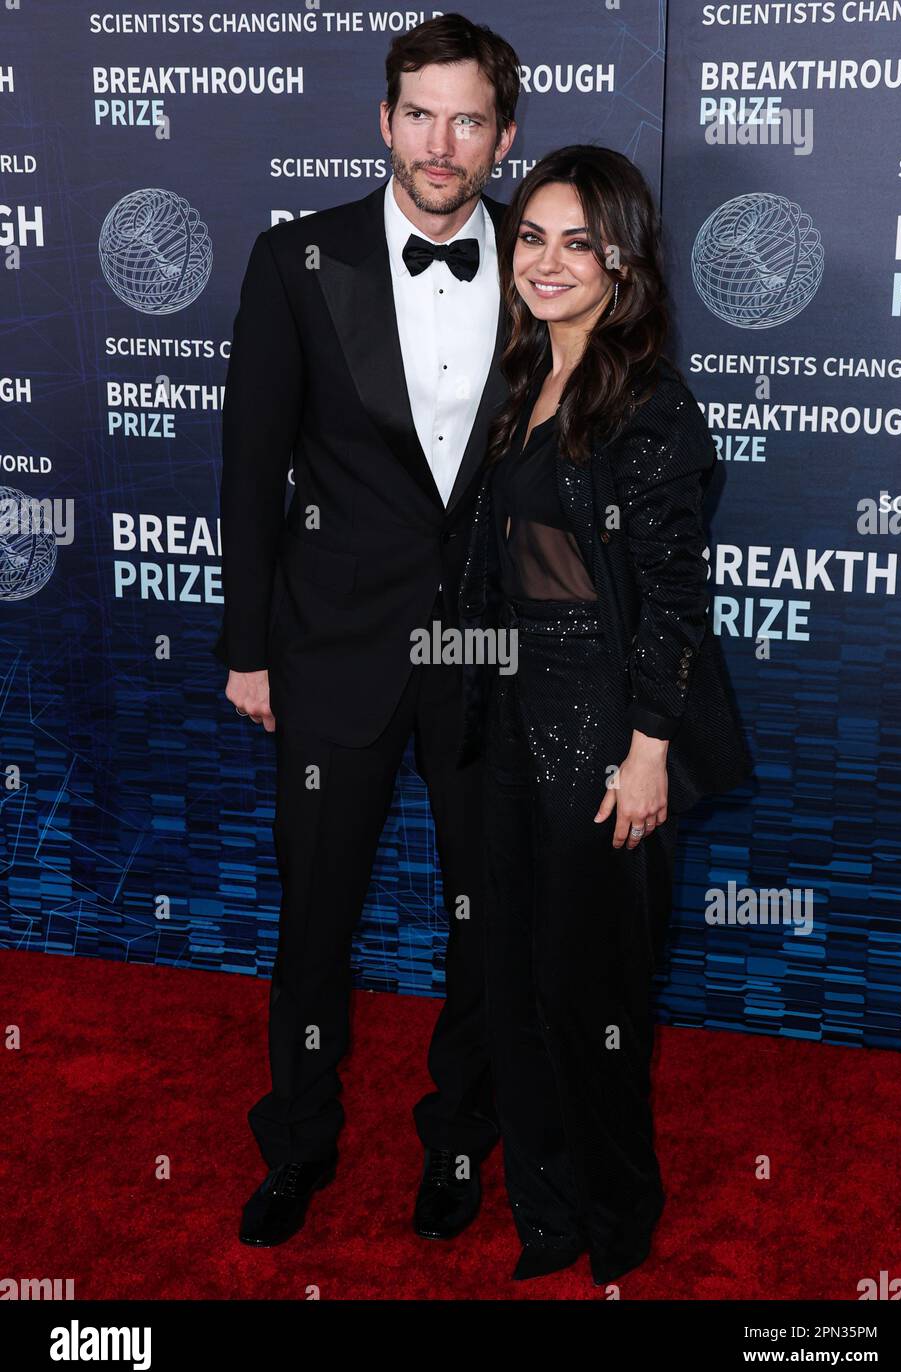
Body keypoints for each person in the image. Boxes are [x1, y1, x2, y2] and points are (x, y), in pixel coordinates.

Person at [212, 14, 520, 1247]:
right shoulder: (296, 259)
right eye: (419, 113)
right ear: (380, 120)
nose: (440, 143)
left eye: (468, 118)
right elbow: (248, 470)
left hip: (483, 652)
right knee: (314, 917)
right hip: (331, 643)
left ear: (504, 135)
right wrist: (246, 649)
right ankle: (298, 1139)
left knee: (482, 912)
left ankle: (457, 1139)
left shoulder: (549, 264)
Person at [456, 145, 755, 1285]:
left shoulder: (649, 403)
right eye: (530, 236)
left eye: (576, 240)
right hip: (510, 713)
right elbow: (490, 576)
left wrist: (645, 754)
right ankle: (544, 1207)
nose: (545, 260)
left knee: (593, 995)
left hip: (602, 725)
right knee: (513, 977)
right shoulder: (516, 377)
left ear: (622, 260)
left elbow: (674, 598)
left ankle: (616, 1216)